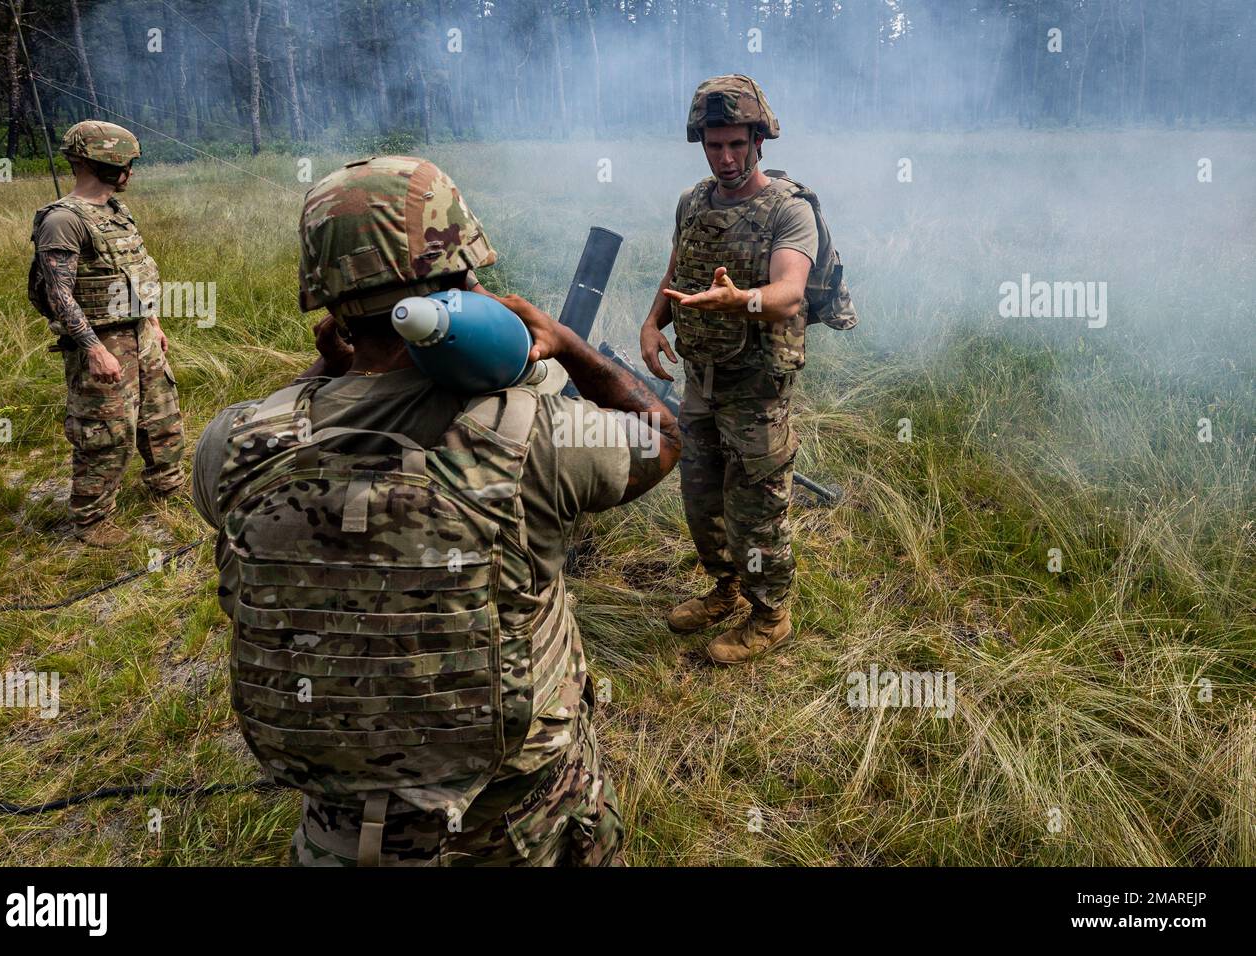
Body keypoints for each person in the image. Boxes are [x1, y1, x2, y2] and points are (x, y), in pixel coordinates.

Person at [191, 155, 680, 865]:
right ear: (463, 287)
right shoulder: (532, 435)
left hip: (337, 837)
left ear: (331, 309)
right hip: (519, 830)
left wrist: (327, 372)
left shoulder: (232, 445)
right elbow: (664, 436)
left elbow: (275, 432)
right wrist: (567, 346)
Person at [638, 74, 848, 665]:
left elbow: (787, 294)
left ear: (760, 139)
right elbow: (678, 266)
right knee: (701, 497)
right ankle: (725, 589)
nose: (725, 158)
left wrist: (739, 301)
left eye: (736, 144)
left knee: (756, 508)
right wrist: (654, 323)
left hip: (757, 385)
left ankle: (769, 615)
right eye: (714, 145)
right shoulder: (693, 202)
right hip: (701, 376)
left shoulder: (789, 210)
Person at [28, 120, 185, 547]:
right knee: (105, 432)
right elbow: (60, 295)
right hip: (102, 342)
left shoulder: (116, 210)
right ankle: (92, 519)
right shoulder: (62, 220)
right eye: (125, 163)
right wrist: (94, 349)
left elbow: (132, 272)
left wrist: (152, 322)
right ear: (98, 162)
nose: (129, 172)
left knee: (161, 418)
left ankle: (168, 484)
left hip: (141, 335)